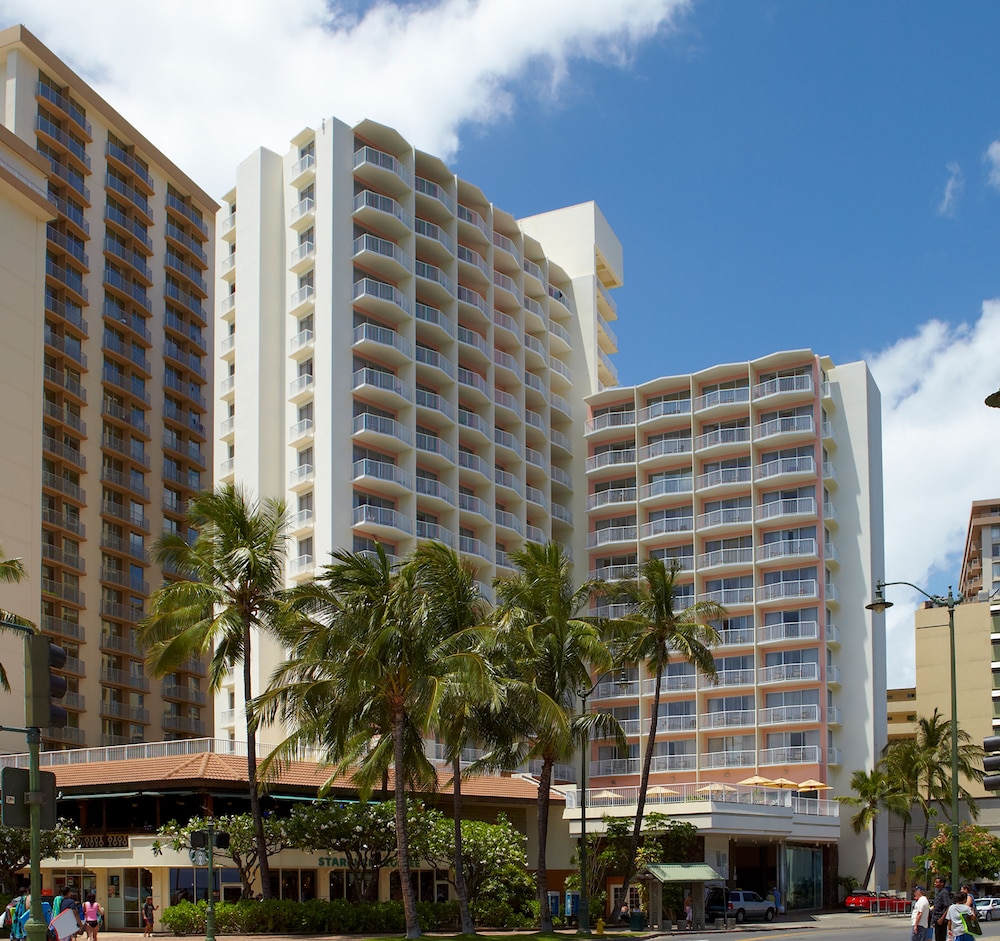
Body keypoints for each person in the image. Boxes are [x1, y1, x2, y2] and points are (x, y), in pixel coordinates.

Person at [932, 876, 953, 941]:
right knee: (937, 937)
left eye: (936, 882)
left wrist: (941, 919)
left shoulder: (944, 893)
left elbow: (948, 906)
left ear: (942, 883)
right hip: (937, 919)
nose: (935, 883)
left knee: (941, 938)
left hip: (941, 919)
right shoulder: (939, 892)